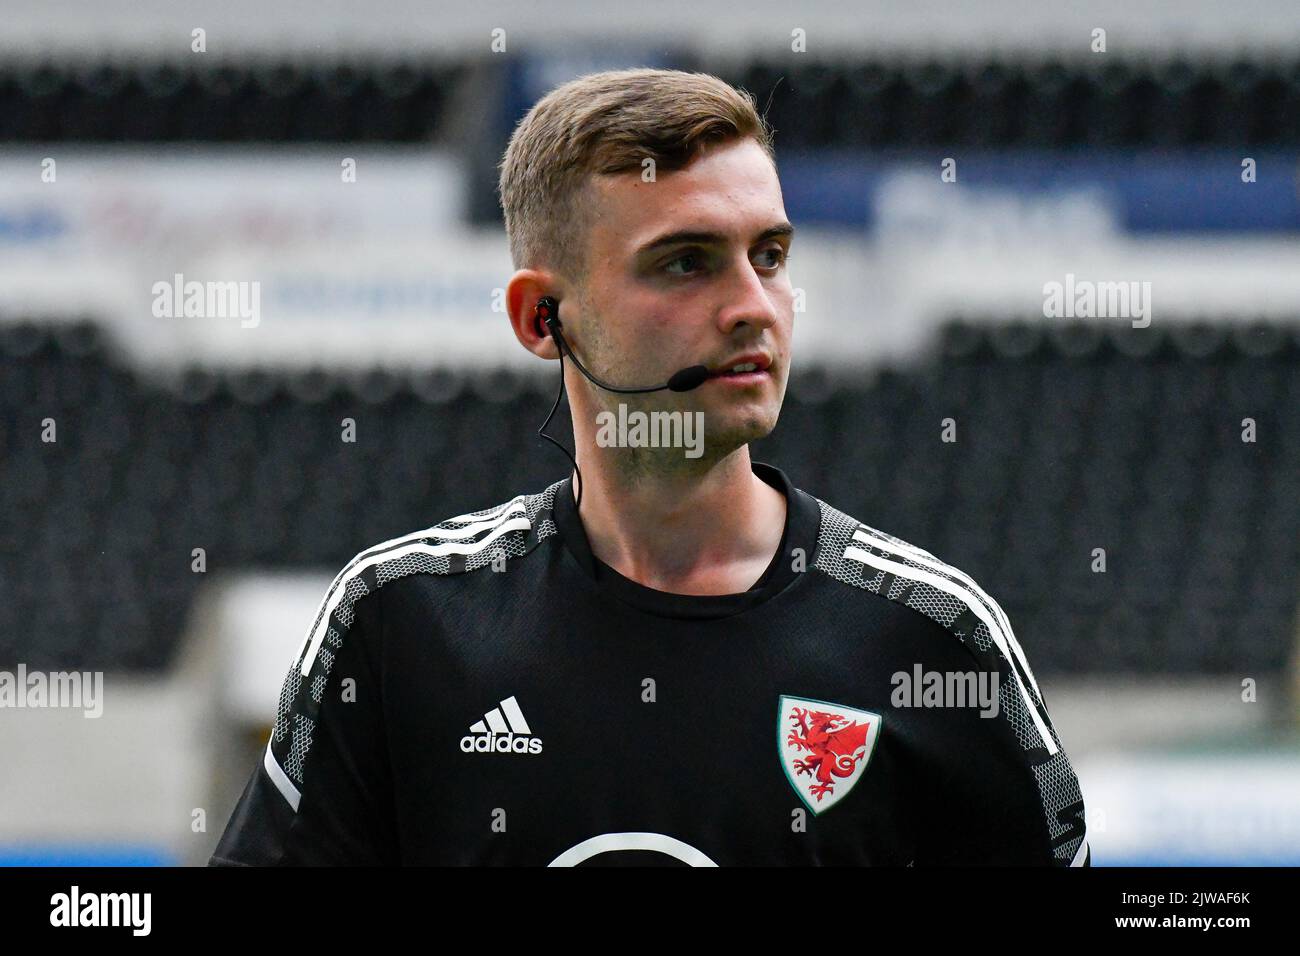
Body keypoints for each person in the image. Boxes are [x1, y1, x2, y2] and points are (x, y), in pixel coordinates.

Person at [210, 67, 1088, 866]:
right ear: (542, 317)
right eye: (686, 263)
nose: (753, 307)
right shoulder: (402, 623)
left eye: (769, 256)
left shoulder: (931, 634)